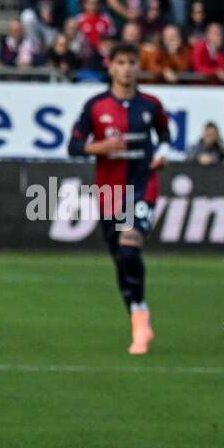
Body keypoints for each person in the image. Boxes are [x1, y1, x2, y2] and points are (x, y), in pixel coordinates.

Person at [67, 42, 170, 356]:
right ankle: (138, 314)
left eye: (132, 62)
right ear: (111, 67)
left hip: (142, 185)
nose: (127, 68)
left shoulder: (151, 105)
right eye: (121, 62)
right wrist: (97, 148)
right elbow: (73, 146)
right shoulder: (96, 106)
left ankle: (139, 318)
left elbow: (165, 136)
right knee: (120, 259)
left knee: (129, 244)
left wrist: (162, 154)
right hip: (110, 193)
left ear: (138, 66)